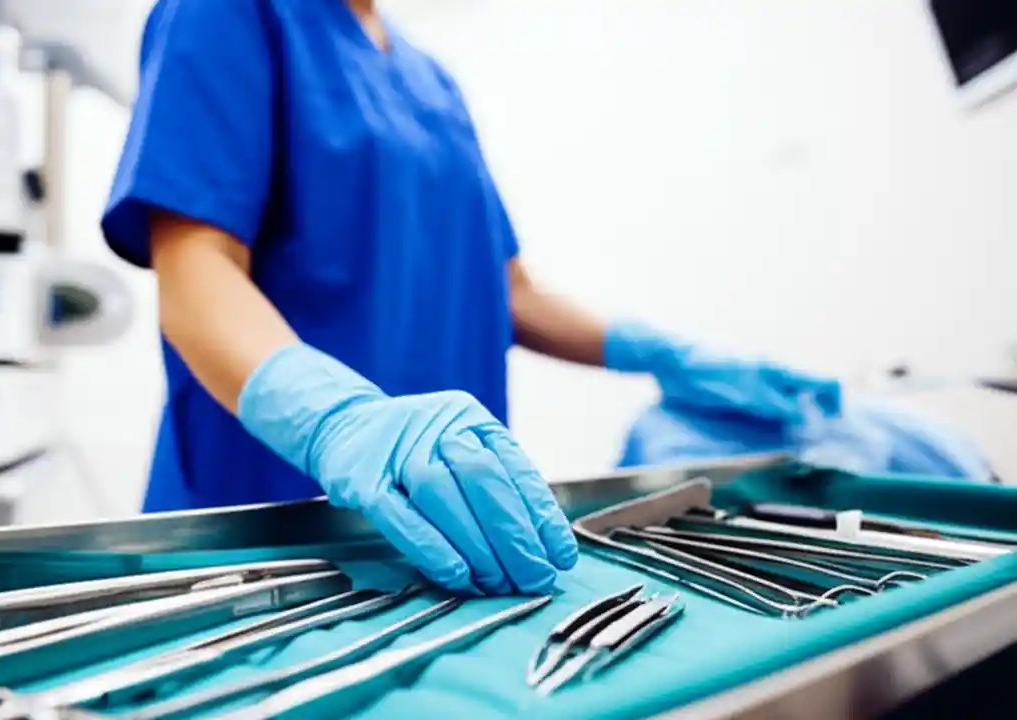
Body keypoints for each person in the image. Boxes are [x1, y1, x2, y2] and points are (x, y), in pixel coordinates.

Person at [101, 0, 840, 597]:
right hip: (268, 540)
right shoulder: (229, 11)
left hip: (451, 533)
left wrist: (663, 354)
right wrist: (335, 419)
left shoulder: (432, 81)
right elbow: (196, 275)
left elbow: (511, 290)